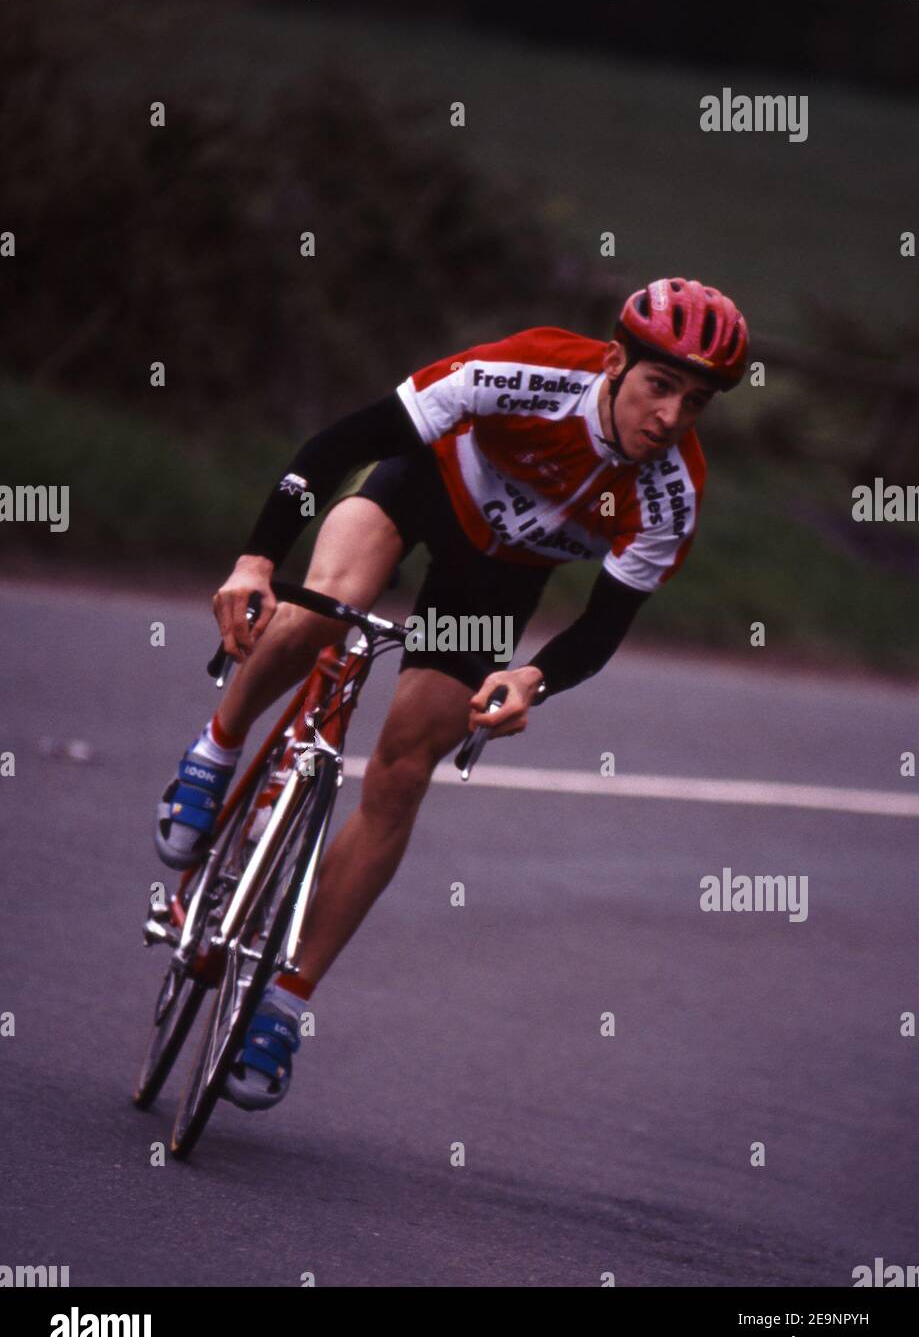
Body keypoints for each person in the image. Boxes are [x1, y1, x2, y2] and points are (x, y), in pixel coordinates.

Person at [154, 277, 749, 1111]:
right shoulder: (530, 372)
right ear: (615, 363)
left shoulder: (669, 494)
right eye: (659, 386)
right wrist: (256, 559)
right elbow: (335, 444)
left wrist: (531, 677)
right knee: (320, 612)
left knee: (404, 767)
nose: (671, 418)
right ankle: (215, 750)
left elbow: (603, 626)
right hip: (421, 491)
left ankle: (284, 1003)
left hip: (493, 582)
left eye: (696, 402)